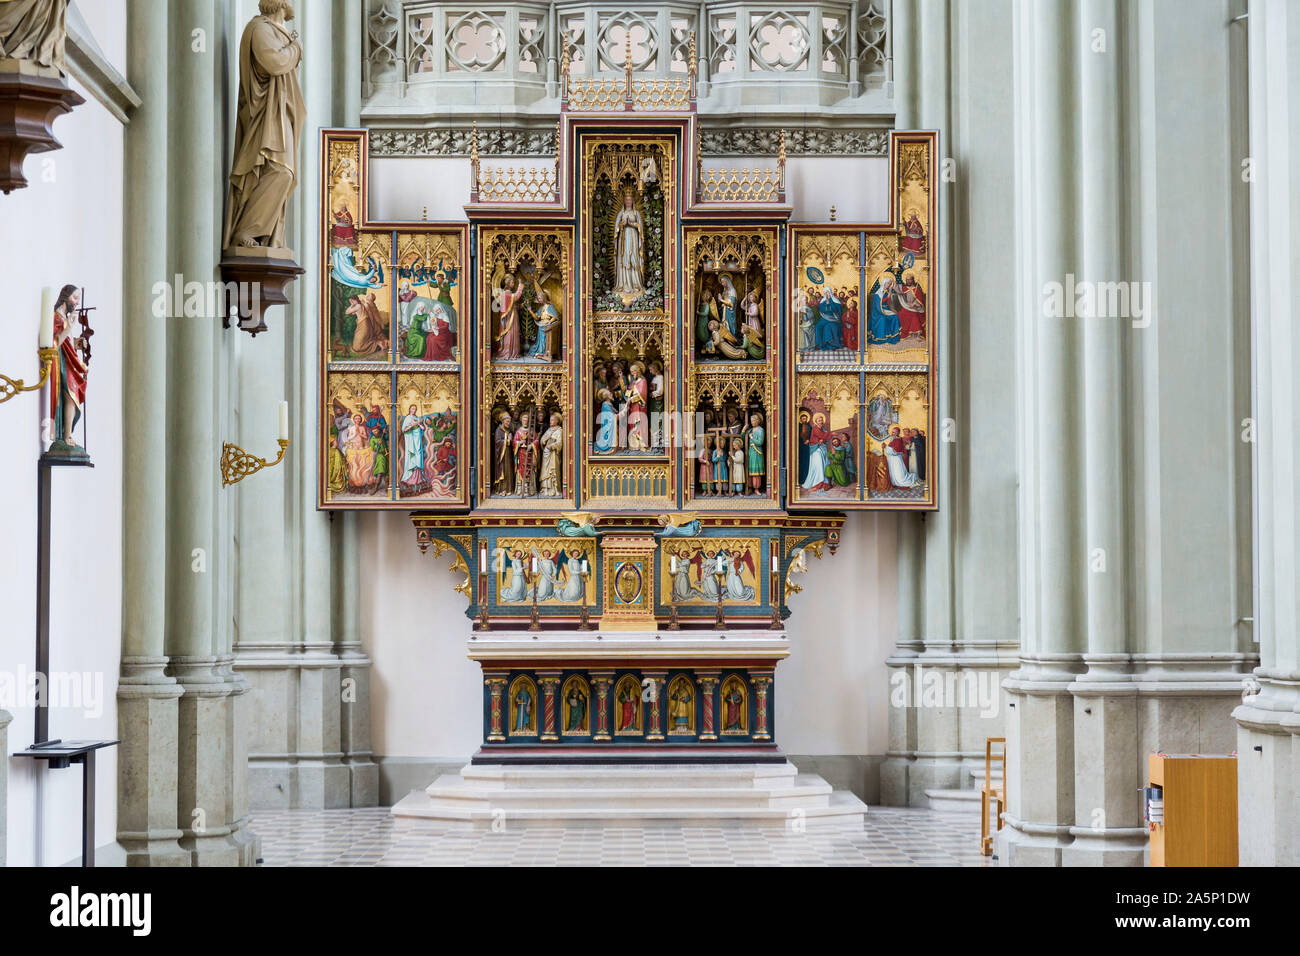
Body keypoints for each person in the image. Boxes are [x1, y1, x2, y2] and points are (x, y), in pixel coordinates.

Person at [614, 190, 645, 301]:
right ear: (624, 201)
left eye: (630, 199)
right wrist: (622, 225)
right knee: (624, 260)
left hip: (633, 240)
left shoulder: (636, 213)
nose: (628, 201)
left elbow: (640, 226)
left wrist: (631, 224)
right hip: (623, 240)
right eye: (626, 199)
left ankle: (636, 284)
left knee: (634, 259)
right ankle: (624, 285)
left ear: (632, 201)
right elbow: (616, 228)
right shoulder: (621, 214)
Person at [868, 272, 901, 345]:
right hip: (878, 312)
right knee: (883, 319)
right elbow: (877, 306)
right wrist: (887, 298)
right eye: (887, 284)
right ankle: (882, 337)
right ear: (883, 283)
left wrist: (890, 297)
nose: (888, 285)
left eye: (889, 284)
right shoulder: (878, 294)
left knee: (895, 316)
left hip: (886, 310)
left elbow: (888, 304)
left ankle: (893, 335)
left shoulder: (887, 292)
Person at [801, 413, 831, 492]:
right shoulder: (815, 429)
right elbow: (821, 436)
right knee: (818, 466)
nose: (820, 422)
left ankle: (823, 482)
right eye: (819, 420)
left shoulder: (824, 429)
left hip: (822, 449)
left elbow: (825, 439)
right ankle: (817, 483)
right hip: (815, 449)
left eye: (821, 420)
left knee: (824, 465)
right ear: (816, 422)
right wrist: (820, 441)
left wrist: (822, 440)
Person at [494, 274, 523, 359]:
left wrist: (519, 306)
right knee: (510, 333)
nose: (513, 284)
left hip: (513, 315)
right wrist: (520, 285)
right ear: (507, 283)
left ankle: (513, 352)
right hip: (509, 318)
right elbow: (516, 296)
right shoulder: (506, 294)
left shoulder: (508, 293)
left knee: (514, 331)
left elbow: (511, 305)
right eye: (512, 282)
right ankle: (509, 352)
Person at [526, 288, 559, 360]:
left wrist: (550, 322)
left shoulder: (550, 307)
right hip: (541, 326)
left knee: (545, 341)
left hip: (547, 327)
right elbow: (537, 318)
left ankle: (544, 352)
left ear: (544, 298)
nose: (539, 300)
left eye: (540, 298)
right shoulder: (541, 308)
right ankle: (540, 352)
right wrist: (530, 311)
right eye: (538, 299)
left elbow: (555, 317)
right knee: (540, 342)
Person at [513, 411, 540, 496]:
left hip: (530, 454)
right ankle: (520, 489)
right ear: (521, 420)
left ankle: (530, 489)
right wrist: (520, 442)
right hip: (521, 453)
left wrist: (532, 445)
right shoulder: (519, 431)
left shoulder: (532, 431)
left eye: (527, 418)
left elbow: (536, 440)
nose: (525, 420)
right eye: (524, 418)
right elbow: (514, 442)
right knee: (521, 469)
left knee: (530, 469)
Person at [626, 362, 650, 451]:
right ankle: (634, 445)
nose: (632, 374)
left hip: (639, 407)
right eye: (631, 372)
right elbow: (628, 390)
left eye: (633, 372)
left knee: (638, 424)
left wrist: (631, 399)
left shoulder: (643, 381)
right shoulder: (633, 381)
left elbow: (642, 395)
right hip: (633, 407)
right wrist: (628, 395)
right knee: (632, 424)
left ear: (637, 371)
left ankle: (641, 444)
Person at [539, 412, 564, 497]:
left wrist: (552, 446)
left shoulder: (559, 430)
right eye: (550, 420)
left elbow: (560, 443)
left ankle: (554, 489)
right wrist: (543, 440)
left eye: (553, 420)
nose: (551, 421)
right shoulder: (549, 430)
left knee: (553, 471)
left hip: (553, 454)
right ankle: (545, 488)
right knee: (545, 471)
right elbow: (542, 439)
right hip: (546, 453)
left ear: (557, 421)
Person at [813, 284, 844, 350]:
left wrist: (830, 302)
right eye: (825, 293)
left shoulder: (836, 300)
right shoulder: (822, 301)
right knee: (818, 326)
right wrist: (826, 304)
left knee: (828, 327)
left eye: (827, 292)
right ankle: (820, 344)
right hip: (824, 318)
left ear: (830, 292)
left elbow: (836, 310)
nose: (826, 294)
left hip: (834, 319)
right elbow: (821, 310)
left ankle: (832, 344)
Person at [493, 411, 515, 495]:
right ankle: (502, 489)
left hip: (508, 454)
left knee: (508, 470)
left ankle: (509, 489)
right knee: (503, 470)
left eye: (509, 421)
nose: (508, 423)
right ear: (503, 421)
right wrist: (507, 440)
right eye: (507, 421)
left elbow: (511, 441)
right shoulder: (499, 430)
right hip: (501, 455)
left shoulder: (508, 430)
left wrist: (510, 440)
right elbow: (497, 442)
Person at [745, 413, 765, 495]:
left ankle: (756, 488)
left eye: (753, 420)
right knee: (750, 470)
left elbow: (760, 442)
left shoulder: (760, 430)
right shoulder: (750, 430)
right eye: (751, 421)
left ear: (758, 421)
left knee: (756, 471)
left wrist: (752, 438)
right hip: (750, 452)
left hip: (757, 452)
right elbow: (743, 438)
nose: (752, 422)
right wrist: (743, 430)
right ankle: (749, 487)